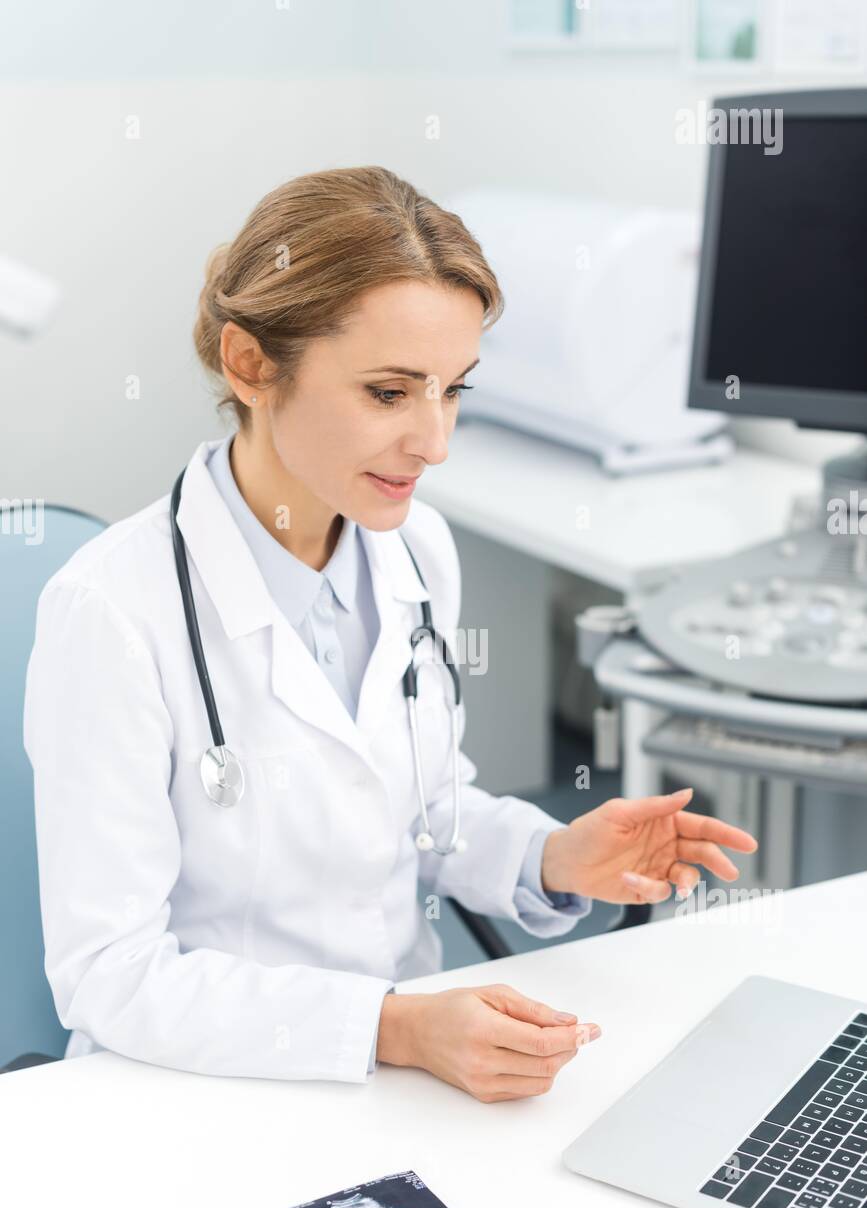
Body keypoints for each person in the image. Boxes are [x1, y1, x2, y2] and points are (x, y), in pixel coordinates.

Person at [23, 166, 757, 1103]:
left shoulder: (415, 551)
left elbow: (421, 809)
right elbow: (110, 975)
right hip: (190, 1092)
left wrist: (549, 857)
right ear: (250, 365)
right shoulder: (112, 609)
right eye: (388, 393)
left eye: (452, 391)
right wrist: (391, 1026)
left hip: (395, 1074)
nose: (434, 442)